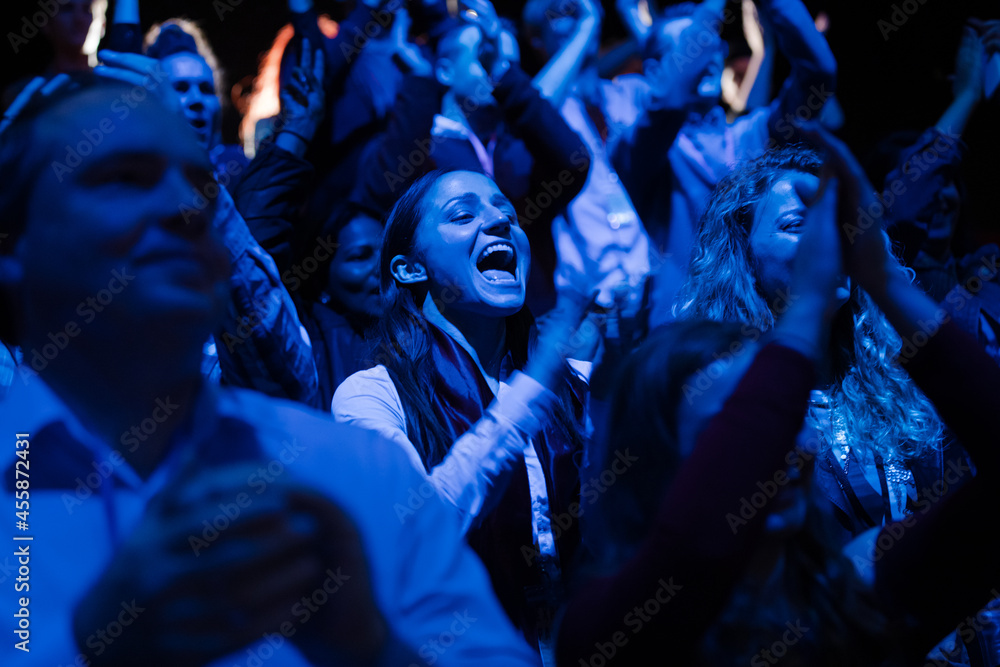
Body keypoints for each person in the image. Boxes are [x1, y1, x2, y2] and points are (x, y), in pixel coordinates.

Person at [0, 72, 542, 667]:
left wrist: (369, 646)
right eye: (124, 178)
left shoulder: (354, 472)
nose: (182, 208)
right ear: (12, 244)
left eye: (202, 191)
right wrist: (92, 644)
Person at [556, 124, 1000, 666]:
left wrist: (882, 275)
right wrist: (807, 304)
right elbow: (690, 544)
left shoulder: (846, 611)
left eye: (799, 427)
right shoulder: (617, 626)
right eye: (795, 226)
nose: (785, 447)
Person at [333, 169, 597, 654]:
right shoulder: (371, 397)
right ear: (410, 269)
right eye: (462, 215)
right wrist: (533, 387)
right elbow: (419, 533)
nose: (499, 221)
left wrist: (624, 379)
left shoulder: (578, 384)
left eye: (506, 211)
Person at [673, 143, 957, 544]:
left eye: (835, 224)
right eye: (795, 225)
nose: (827, 241)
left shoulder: (895, 377)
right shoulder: (717, 392)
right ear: (744, 255)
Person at [618, 0, 838, 327]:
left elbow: (818, 74)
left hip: (756, 326)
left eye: (712, 45)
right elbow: (668, 103)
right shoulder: (639, 148)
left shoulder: (753, 135)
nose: (706, 55)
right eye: (689, 48)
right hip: (677, 333)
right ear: (654, 71)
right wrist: (713, 8)